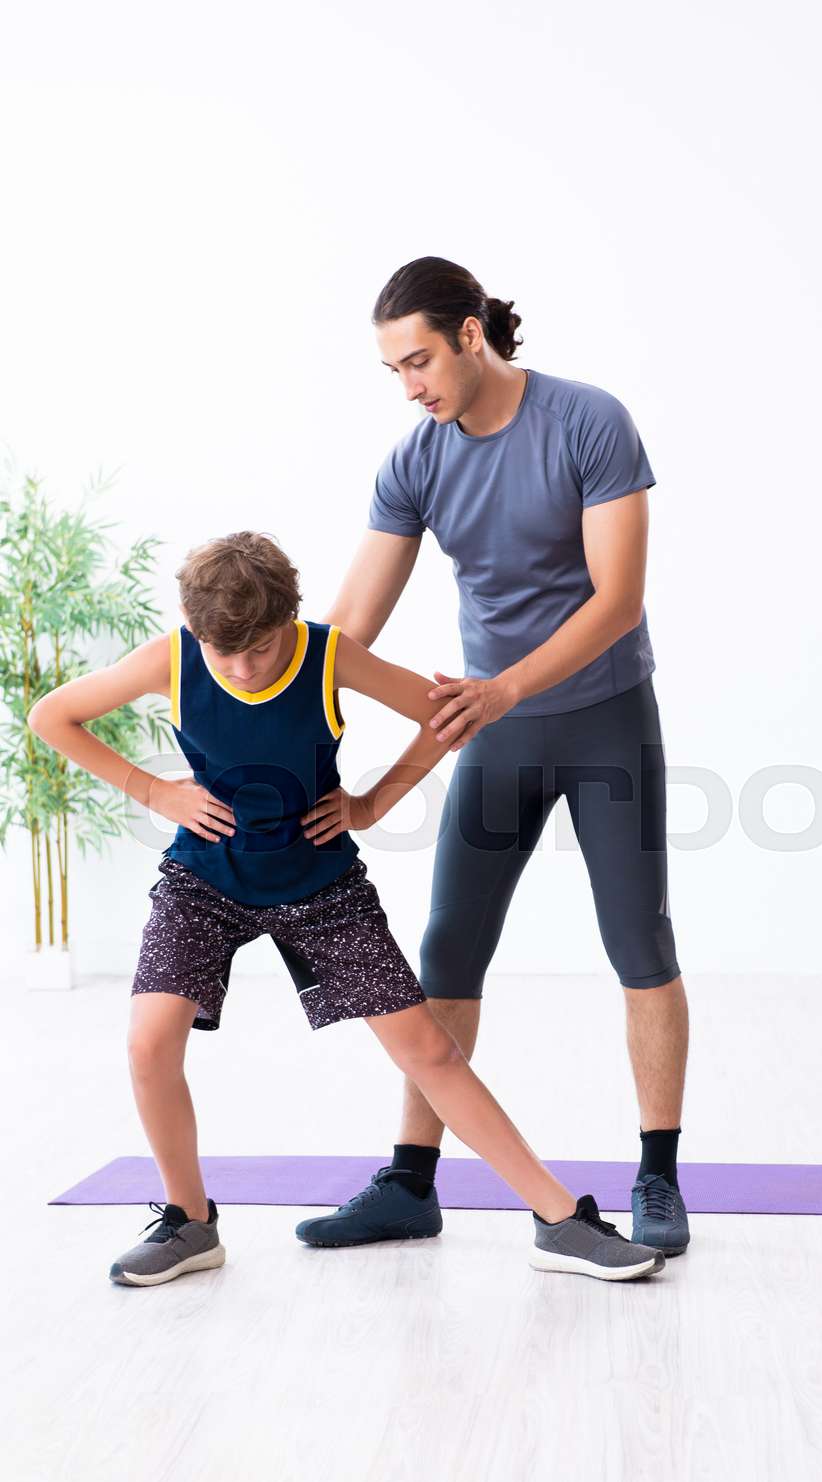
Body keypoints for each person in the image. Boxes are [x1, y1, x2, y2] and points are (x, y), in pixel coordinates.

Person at [27, 530, 666, 1287]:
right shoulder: (172, 657)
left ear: (287, 625)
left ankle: (561, 1223)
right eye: (221, 652)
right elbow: (51, 717)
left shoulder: (327, 654)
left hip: (321, 888)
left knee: (428, 1051)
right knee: (147, 1043)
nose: (239, 667)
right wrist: (155, 790)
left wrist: (370, 804)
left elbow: (449, 715)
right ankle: (188, 1222)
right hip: (204, 879)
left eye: (258, 650)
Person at [301, 256, 690, 1256]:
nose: (411, 385)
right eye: (393, 370)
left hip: (602, 719)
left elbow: (618, 599)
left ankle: (656, 1175)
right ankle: (411, 1182)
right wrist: (261, 693)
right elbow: (349, 627)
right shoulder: (416, 459)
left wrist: (507, 688)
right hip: (495, 735)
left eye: (420, 359)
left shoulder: (588, 421)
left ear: (473, 333)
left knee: (639, 948)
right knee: (448, 954)